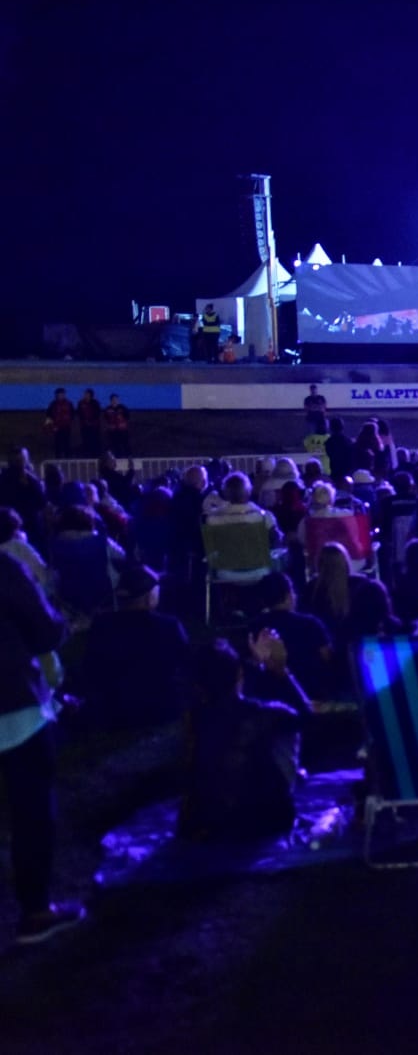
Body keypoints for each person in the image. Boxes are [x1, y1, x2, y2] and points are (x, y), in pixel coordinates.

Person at [0, 550, 82, 944]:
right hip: (11, 704)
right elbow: (45, 629)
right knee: (30, 808)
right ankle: (35, 911)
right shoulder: (4, 568)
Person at [179, 636, 307, 841]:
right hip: (266, 821)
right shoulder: (274, 715)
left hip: (206, 825)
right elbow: (305, 717)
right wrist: (281, 671)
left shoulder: (194, 721)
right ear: (239, 673)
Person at [80, 564, 191, 727]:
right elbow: (186, 663)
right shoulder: (169, 626)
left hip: (114, 711)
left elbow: (91, 668)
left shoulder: (102, 625)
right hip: (161, 709)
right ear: (150, 597)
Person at [252, 571, 335, 703]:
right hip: (312, 695)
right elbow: (328, 658)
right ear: (289, 595)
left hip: (272, 697)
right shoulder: (310, 624)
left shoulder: (257, 627)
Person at [44, 388, 73, 459]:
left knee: (66, 442)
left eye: (61, 394)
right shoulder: (53, 404)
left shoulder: (69, 404)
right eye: (58, 394)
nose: (60, 396)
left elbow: (72, 414)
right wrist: (50, 425)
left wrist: (69, 422)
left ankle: (67, 457)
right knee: (57, 443)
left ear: (64, 395)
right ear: (56, 395)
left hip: (66, 426)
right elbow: (48, 415)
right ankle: (58, 458)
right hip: (56, 427)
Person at [102, 393, 131, 457]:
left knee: (124, 444)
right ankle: (115, 458)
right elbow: (105, 418)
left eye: (116, 399)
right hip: (112, 431)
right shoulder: (108, 409)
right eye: (113, 399)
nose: (115, 401)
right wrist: (108, 426)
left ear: (118, 400)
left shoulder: (122, 408)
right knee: (114, 445)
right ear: (111, 400)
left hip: (122, 430)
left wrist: (124, 424)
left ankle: (126, 457)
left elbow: (127, 416)